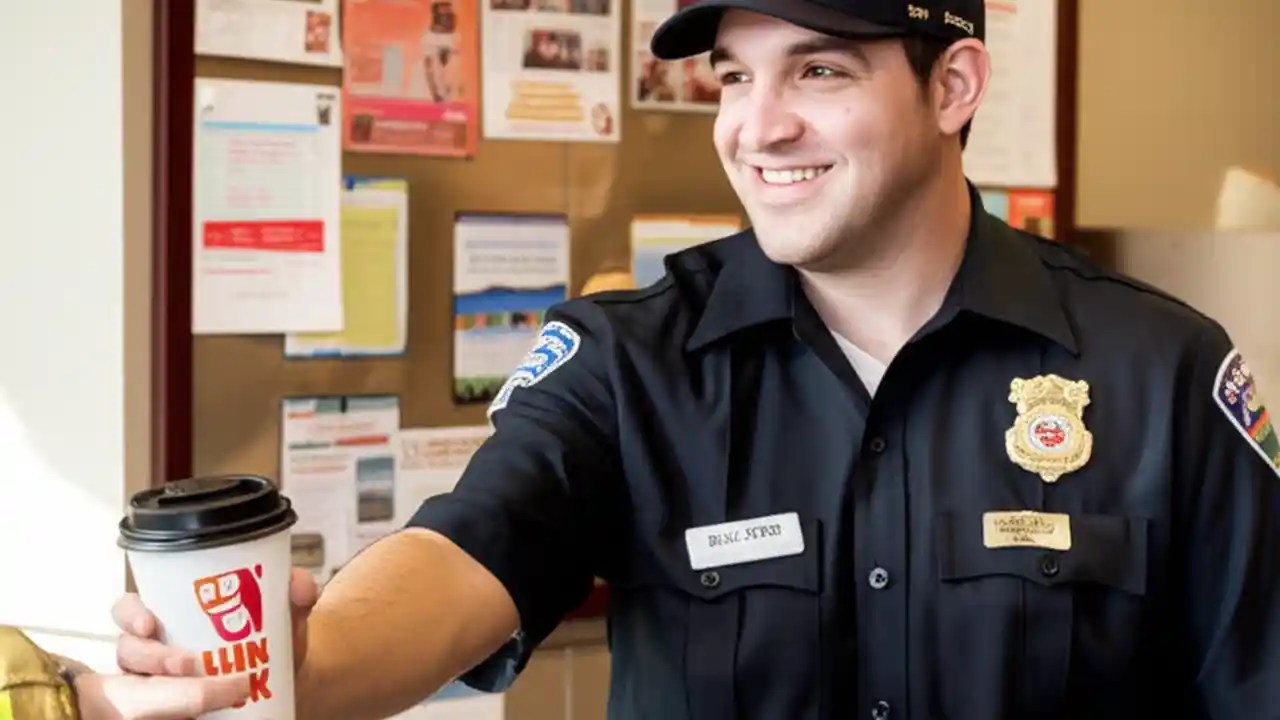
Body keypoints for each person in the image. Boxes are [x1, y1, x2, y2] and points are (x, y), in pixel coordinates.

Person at [88, 0, 1280, 718]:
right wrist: (286, 666)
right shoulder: (629, 363)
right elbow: (460, 553)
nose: (757, 128)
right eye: (733, 77)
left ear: (952, 86)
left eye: (818, 69)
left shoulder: (1155, 372)